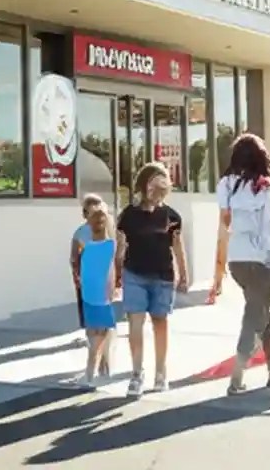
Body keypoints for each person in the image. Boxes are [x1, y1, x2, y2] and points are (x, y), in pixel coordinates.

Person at [207, 133, 270, 394]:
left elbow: (225, 222)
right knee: (256, 315)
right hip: (266, 257)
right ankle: (237, 376)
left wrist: (219, 270)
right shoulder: (267, 185)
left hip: (239, 258)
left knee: (261, 311)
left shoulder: (226, 184)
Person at [115, 162, 189, 397]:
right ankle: (137, 374)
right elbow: (120, 246)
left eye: (163, 181)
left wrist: (184, 273)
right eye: (156, 180)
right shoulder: (129, 214)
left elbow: (177, 245)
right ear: (145, 184)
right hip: (134, 273)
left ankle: (161, 372)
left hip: (163, 275)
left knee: (160, 323)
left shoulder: (171, 216)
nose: (160, 186)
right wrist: (117, 274)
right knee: (135, 323)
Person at [78, 205, 118, 386]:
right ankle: (91, 372)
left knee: (93, 333)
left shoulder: (86, 249)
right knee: (102, 335)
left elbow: (84, 275)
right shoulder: (111, 246)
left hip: (88, 297)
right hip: (104, 297)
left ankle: (97, 369)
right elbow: (112, 274)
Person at [71, 193, 111, 374]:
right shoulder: (83, 233)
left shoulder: (106, 231)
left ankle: (100, 359)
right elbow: (74, 258)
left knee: (98, 324)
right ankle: (99, 359)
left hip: (99, 284)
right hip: (92, 284)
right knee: (96, 324)